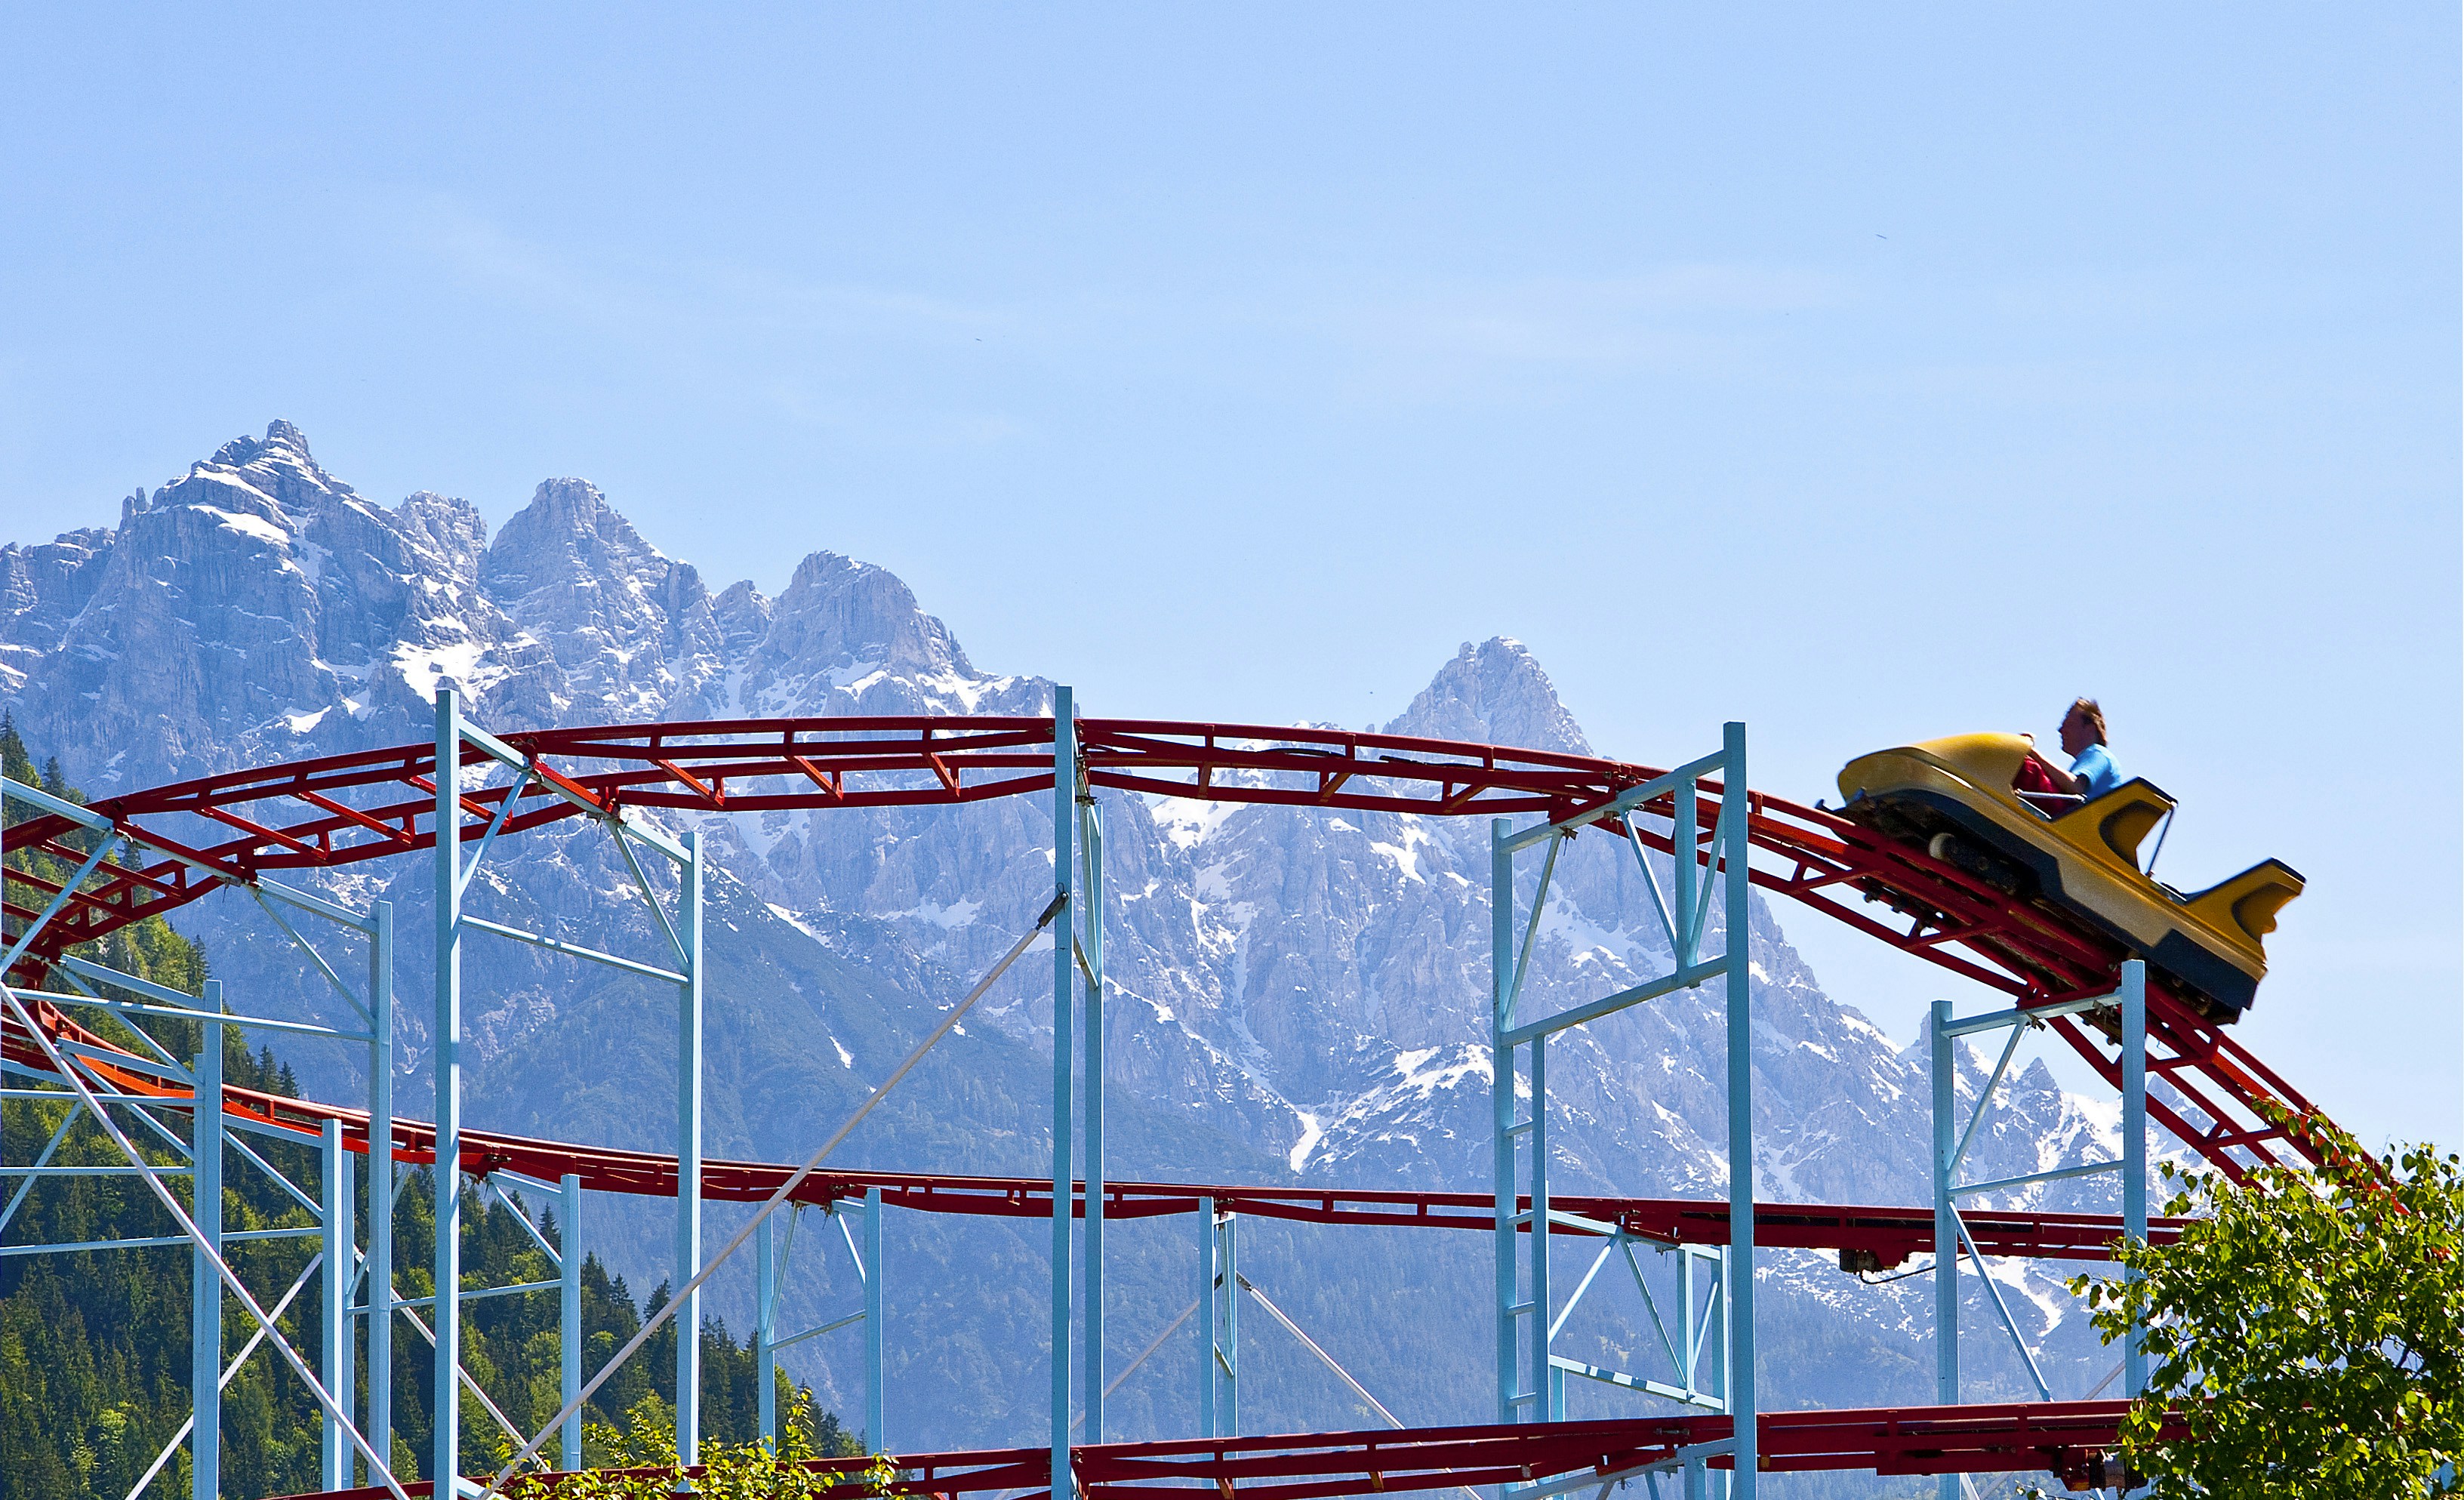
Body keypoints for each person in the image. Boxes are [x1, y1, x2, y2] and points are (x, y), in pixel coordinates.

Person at [2019, 698, 2121, 799]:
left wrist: (2032, 752)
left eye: (2069, 724)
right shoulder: (2091, 757)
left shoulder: (2099, 753)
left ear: (2090, 729)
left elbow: (2075, 787)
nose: (2061, 730)